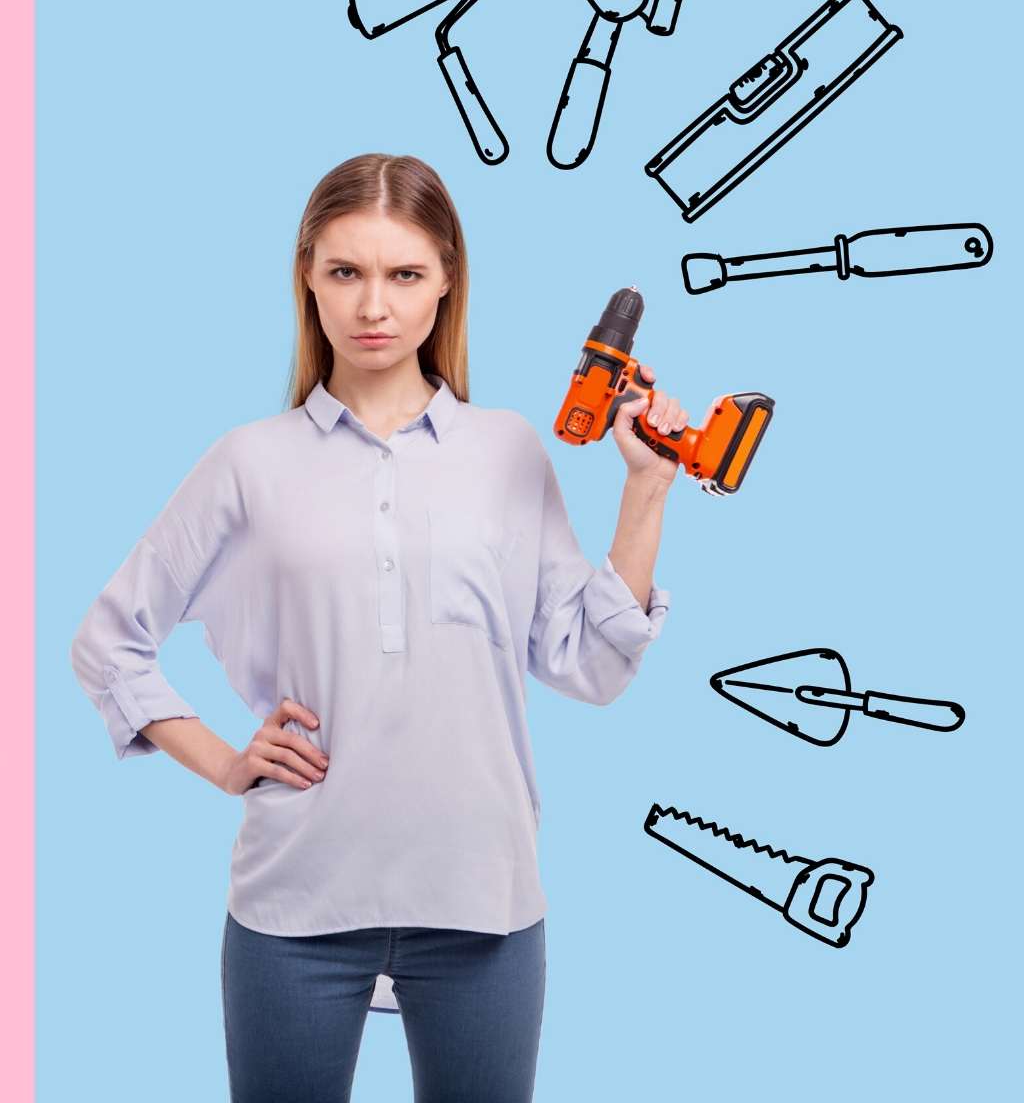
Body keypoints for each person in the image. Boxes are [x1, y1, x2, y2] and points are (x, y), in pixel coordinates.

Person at [70, 154, 680, 1102]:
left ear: (447, 282)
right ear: (308, 278)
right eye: (345, 272)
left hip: (485, 901)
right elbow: (108, 640)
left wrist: (645, 488)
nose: (373, 307)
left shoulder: (509, 451)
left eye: (404, 275)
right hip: (296, 903)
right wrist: (228, 762)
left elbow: (592, 665)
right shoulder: (248, 462)